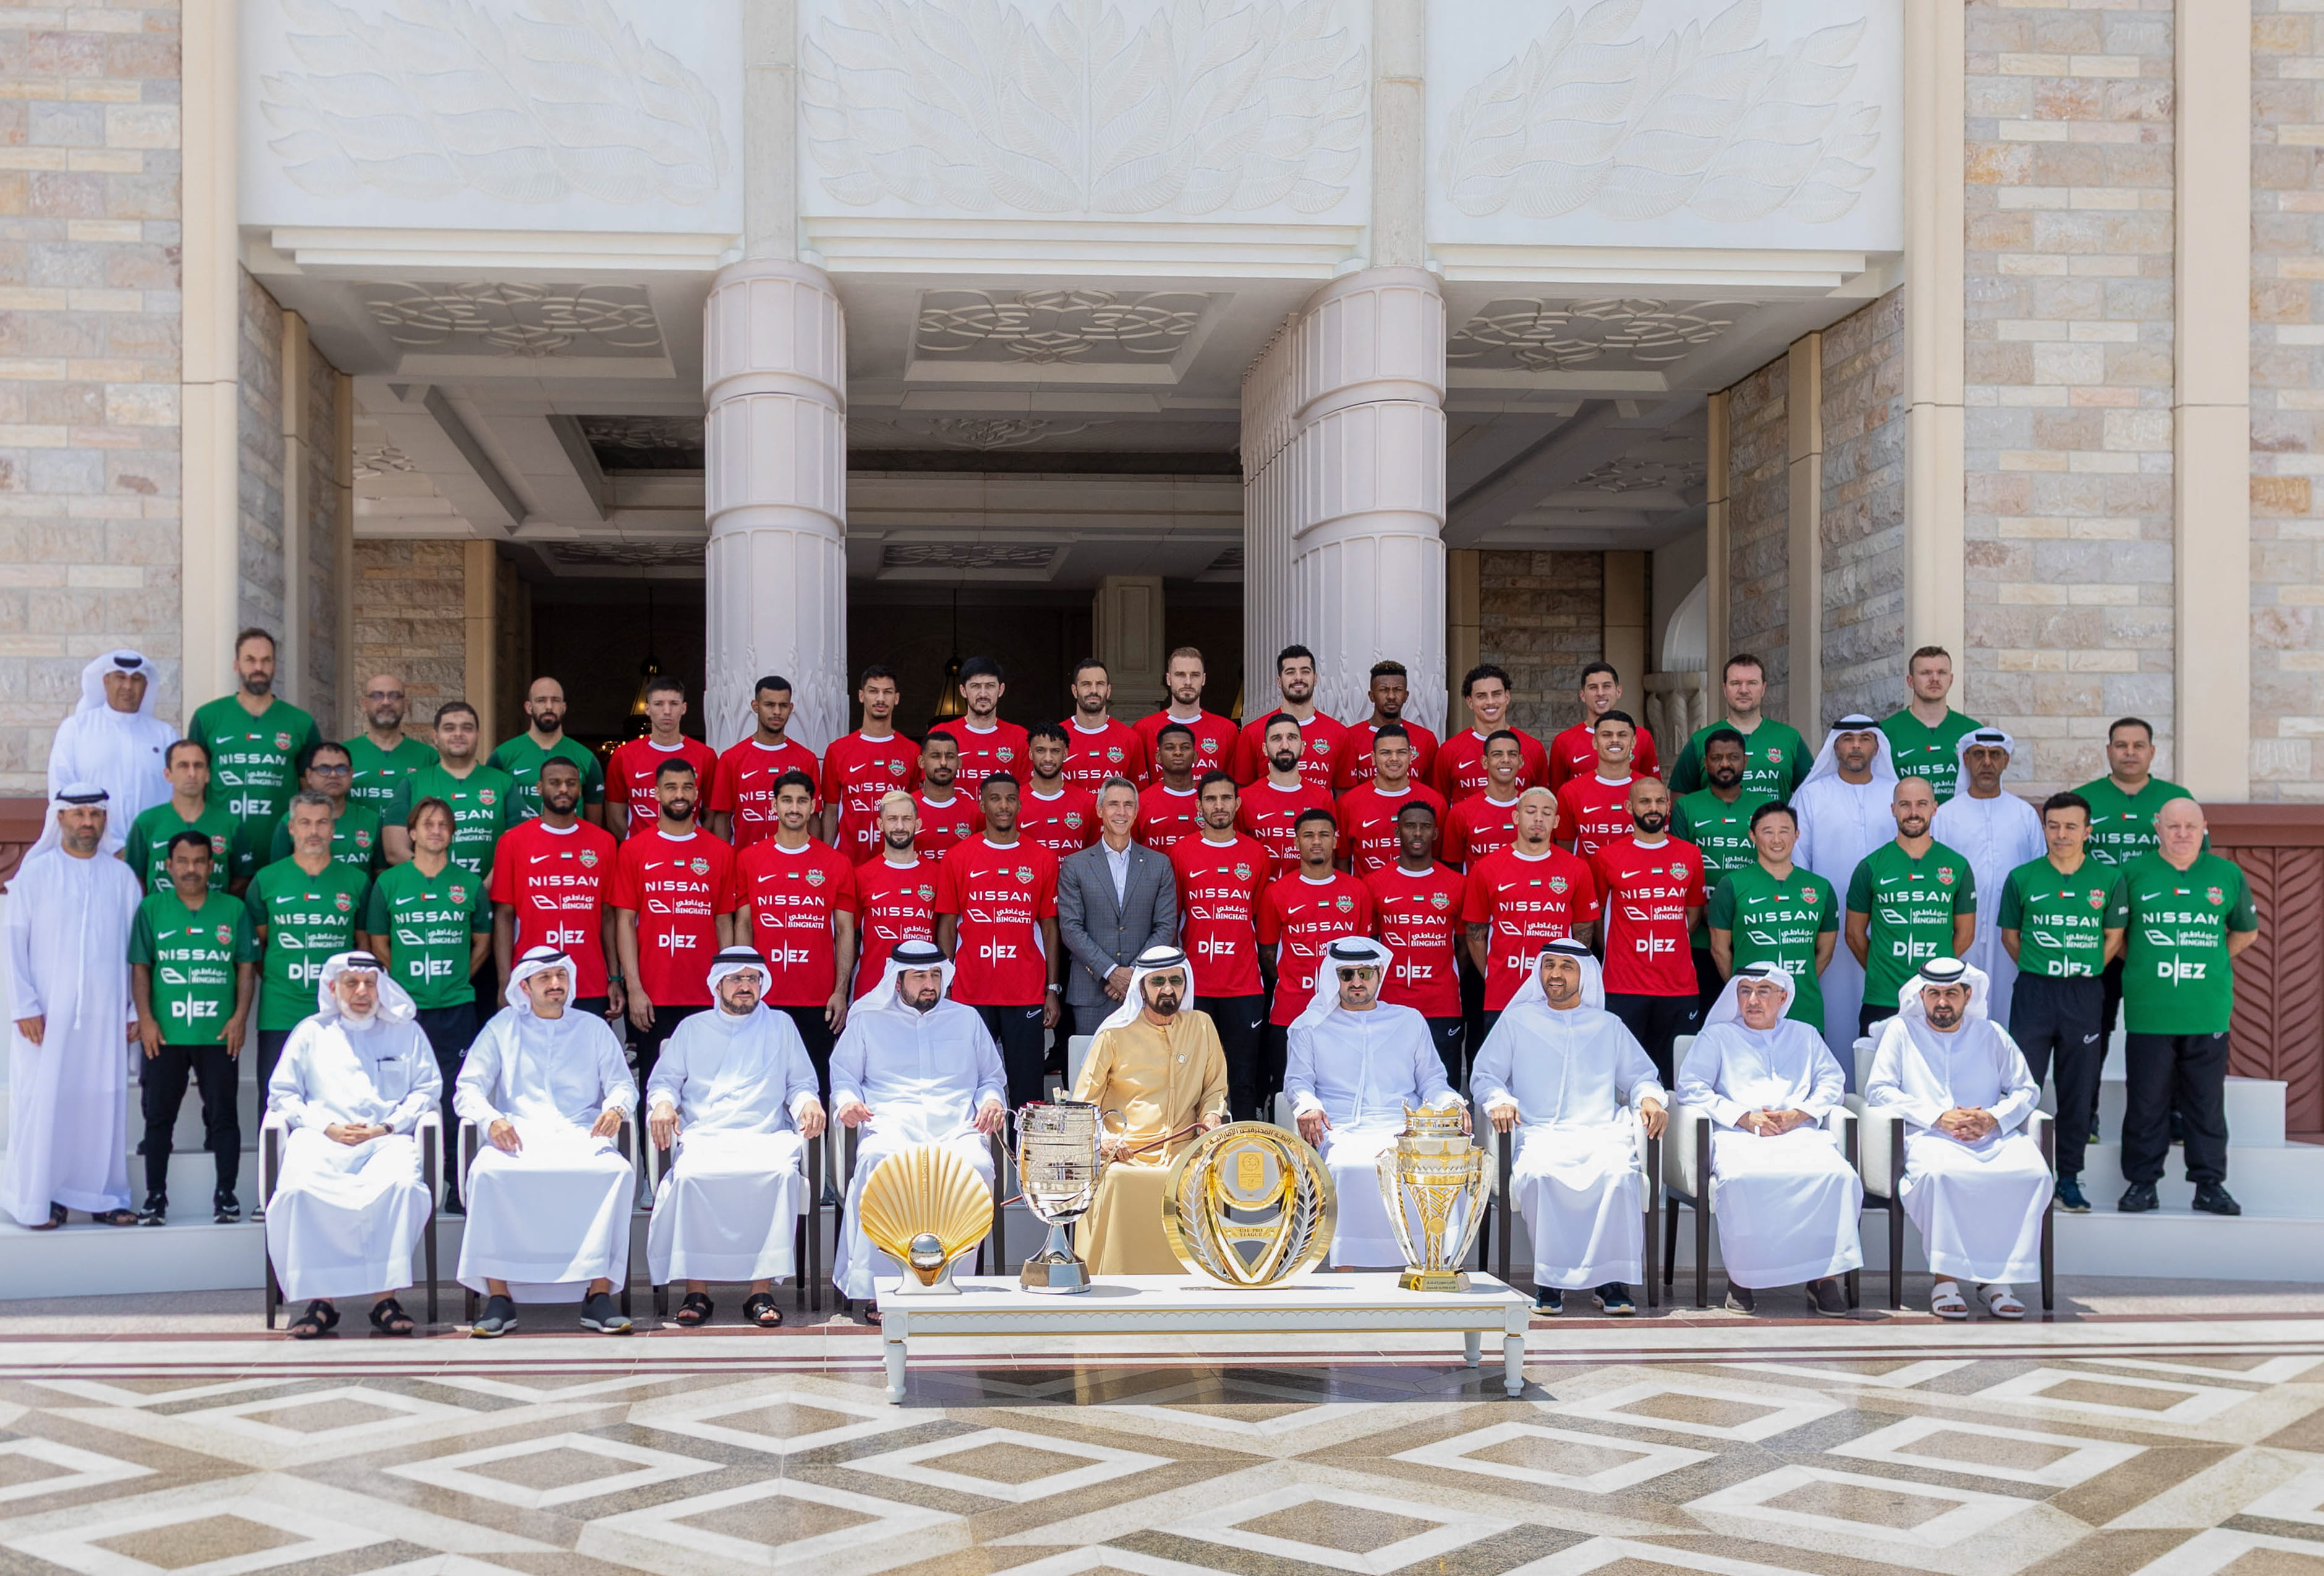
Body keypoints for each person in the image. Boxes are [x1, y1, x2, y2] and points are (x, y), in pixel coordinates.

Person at [1474, 940, 1666, 1314]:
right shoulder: (1517, 1021)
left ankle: (1611, 1281)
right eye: (1549, 966)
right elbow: (1485, 1075)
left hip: (1600, 1132)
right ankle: (1550, 1281)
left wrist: (1649, 1098)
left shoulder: (1609, 1025)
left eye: (1566, 966)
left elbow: (1642, 1075)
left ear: (1585, 975)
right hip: (1540, 1132)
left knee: (1618, 1175)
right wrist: (1499, 1101)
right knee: (1541, 1175)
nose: (1556, 974)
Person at [455, 947, 639, 1335]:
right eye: (545, 978)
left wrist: (617, 1109)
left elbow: (622, 1083)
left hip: (580, 1132)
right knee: (487, 1173)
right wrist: (491, 1120)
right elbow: (468, 1088)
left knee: (616, 1172)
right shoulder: (502, 1028)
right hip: (519, 1133)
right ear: (525, 986)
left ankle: (598, 1294)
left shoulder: (592, 1028)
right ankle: (500, 1297)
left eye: (561, 977)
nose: (556, 985)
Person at [645, 948, 827, 1327]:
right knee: (691, 1177)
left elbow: (801, 1083)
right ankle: (697, 1291)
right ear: (718, 984)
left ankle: (759, 1292)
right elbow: (664, 1081)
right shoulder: (692, 1028)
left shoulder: (781, 1026)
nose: (746, 986)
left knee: (778, 1176)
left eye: (753, 979)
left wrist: (809, 1102)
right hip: (705, 1135)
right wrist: (663, 1105)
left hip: (765, 1135)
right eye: (737, 979)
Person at [263, 952, 440, 1339]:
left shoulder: (405, 1031)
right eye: (351, 983)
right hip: (322, 1139)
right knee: (298, 1190)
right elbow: (283, 1094)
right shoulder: (310, 1032)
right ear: (333, 988)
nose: (362, 992)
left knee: (402, 1188)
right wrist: (327, 1127)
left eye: (370, 983)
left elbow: (427, 1090)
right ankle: (320, 1302)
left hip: (385, 1140)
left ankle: (385, 1300)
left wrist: (388, 1126)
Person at [830, 939, 1008, 1320]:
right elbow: (844, 1076)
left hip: (957, 1124)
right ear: (897, 981)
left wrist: (992, 1100)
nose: (930, 983)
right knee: (879, 1160)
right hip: (891, 1123)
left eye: (936, 975)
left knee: (978, 1167)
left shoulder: (966, 1018)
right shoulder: (866, 1020)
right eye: (920, 977)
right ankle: (882, 1290)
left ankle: (955, 1284)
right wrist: (847, 1102)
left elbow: (991, 1077)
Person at [1864, 958, 2049, 1320]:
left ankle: (1997, 1280)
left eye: (1952, 993)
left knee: (2032, 1173)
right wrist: (1937, 1116)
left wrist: (1991, 1118)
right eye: (1934, 994)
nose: (1943, 1002)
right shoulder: (1902, 1032)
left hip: (1991, 1136)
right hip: (1929, 1136)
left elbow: (2026, 1090)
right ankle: (1945, 1280)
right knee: (1943, 1175)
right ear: (1922, 996)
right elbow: (1878, 1090)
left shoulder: (1991, 1034)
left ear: (1967, 995)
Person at [1675, 965, 1861, 1315]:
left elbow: (1832, 1082)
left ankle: (1824, 1279)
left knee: (1839, 1177)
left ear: (1783, 998)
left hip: (1798, 1134)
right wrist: (1742, 1116)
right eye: (1745, 991)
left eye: (1763, 992)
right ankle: (1743, 1279)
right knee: (1745, 1180)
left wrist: (1800, 1113)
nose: (1753, 1000)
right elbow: (1690, 1087)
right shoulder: (1718, 1037)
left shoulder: (1804, 1035)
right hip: (1739, 1136)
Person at [2, 786, 143, 1228]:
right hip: (44, 1016)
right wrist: (23, 1004)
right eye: (79, 813)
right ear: (59, 818)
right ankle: (41, 1197)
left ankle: (104, 1195)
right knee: (44, 1103)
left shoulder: (121, 879)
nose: (88, 822)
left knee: (102, 1101)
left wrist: (133, 1010)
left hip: (105, 1017)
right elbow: (10, 946)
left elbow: (134, 951)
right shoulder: (35, 874)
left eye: (96, 814)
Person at [2118, 798, 2258, 1217]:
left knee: (2205, 1102)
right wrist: (2145, 961)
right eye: (2173, 825)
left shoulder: (2226, 874)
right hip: (2150, 1009)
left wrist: (2211, 959)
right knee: (2145, 1101)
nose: (2181, 833)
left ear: (2204, 828)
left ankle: (2209, 1185)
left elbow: (2244, 933)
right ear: (2157, 827)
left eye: (2190, 826)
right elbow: (2116, 936)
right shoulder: (2133, 873)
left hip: (2206, 1009)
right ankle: (2142, 1184)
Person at [1285, 937, 1459, 1269]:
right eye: (1347, 974)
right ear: (1333, 978)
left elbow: (1433, 1080)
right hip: (1341, 1129)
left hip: (1403, 1128)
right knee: (1350, 1169)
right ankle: (1347, 1269)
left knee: (1438, 1167)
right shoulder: (1311, 1026)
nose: (1356, 982)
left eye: (1364, 973)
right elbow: (1297, 1081)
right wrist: (1306, 1104)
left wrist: (1450, 1101)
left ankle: (1439, 1271)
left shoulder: (1408, 1020)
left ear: (1379, 973)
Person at [1998, 791, 2126, 1213]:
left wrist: (2084, 967)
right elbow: (2010, 937)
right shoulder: (2022, 877)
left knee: (2077, 1089)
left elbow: (2113, 938)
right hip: (2034, 991)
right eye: (2053, 825)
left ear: (2087, 831)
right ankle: (2015, 1170)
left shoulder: (2107, 879)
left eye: (2071, 826)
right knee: (2021, 1085)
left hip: (2083, 993)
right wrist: (2042, 967)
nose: (2061, 834)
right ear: (2044, 828)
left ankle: (2067, 1177)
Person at [364, 796, 492, 1210]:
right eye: (427, 823)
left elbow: (483, 942)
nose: (435, 830)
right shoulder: (389, 884)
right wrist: (402, 986)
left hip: (456, 1008)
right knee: (400, 1094)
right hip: (404, 1012)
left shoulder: (469, 884)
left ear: (451, 834)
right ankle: (406, 1180)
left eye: (443, 824)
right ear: (412, 832)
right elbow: (377, 942)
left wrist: (457, 977)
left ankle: (456, 1185)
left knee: (457, 1095)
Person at [1072, 947, 1228, 1272]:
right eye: (1158, 981)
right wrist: (1103, 1141)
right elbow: (1083, 1105)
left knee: (1202, 1177)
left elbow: (1215, 1088)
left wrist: (1212, 1115)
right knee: (1116, 1180)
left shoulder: (1202, 1026)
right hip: (1126, 1154)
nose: (1168, 989)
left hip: (1185, 1153)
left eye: (1175, 980)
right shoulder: (1114, 1034)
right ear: (1141, 988)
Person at [130, 829, 257, 1225]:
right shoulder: (151, 908)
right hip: (165, 1035)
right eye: (183, 861)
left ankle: (226, 1194)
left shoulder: (233, 910)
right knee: (158, 1118)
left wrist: (239, 1018)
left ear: (211, 865)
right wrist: (147, 1020)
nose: (191, 869)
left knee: (224, 1116)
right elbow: (141, 968)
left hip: (217, 1034)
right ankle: (155, 1197)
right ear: (169, 866)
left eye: (200, 861)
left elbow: (246, 968)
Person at [611, 758, 739, 1103]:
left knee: (709, 1091)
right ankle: (655, 1158)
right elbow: (624, 921)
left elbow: (723, 922)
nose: (680, 795)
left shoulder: (720, 852)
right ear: (656, 793)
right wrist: (634, 988)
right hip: (654, 996)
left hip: (706, 994)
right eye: (671, 787)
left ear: (697, 792)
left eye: (686, 787)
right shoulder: (633, 850)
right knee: (655, 1092)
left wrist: (725, 985)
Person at [935, 773, 1062, 1105]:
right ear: (982, 804)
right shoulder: (958, 857)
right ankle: (973, 1156)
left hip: (1025, 991)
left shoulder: (1042, 858)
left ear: (1020, 804)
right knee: (969, 1084)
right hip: (970, 990)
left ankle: (1025, 1155)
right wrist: (946, 982)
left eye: (1010, 799)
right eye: (995, 799)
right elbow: (948, 925)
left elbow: (1049, 928)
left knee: (1027, 1090)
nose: (1003, 806)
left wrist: (1052, 990)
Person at [2074, 717, 2195, 1047]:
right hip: (2098, 931)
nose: (2130, 752)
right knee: (2093, 1031)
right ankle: (2087, 1100)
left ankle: (2163, 1100)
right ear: (2108, 750)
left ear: (2153, 751)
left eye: (2138, 745)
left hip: (2157, 932)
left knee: (2165, 1030)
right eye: (2121, 745)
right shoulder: (2083, 800)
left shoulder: (2177, 800)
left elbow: (2195, 865)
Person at [246, 790, 373, 1099]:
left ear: (333, 829)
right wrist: (279, 977)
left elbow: (364, 949)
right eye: (305, 823)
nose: (313, 831)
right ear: (291, 828)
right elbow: (257, 950)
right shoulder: (266, 880)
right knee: (276, 1102)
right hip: (281, 1010)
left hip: (339, 1013)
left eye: (321, 823)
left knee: (340, 1101)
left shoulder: (356, 882)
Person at [735, 770, 856, 1096]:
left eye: (802, 801)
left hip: (819, 1000)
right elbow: (743, 925)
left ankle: (815, 1150)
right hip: (765, 998)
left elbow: (845, 931)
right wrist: (746, 984)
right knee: (761, 1089)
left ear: (813, 805)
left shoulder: (836, 863)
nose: (794, 808)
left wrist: (840, 991)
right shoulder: (748, 859)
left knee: (816, 1089)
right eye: (787, 800)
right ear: (774, 805)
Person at [1791, 716, 1899, 1064]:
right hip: (1830, 927)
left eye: (1865, 738)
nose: (1856, 746)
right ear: (1835, 745)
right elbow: (1797, 863)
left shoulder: (1895, 796)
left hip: (1889, 925)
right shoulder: (1811, 795)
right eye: (1848, 738)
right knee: (1835, 1005)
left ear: (1877, 746)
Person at [1257, 809, 1374, 1117]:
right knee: (1286, 1095)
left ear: (1336, 841)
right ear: (1296, 842)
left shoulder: (1358, 891)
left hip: (1344, 1012)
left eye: (1324, 835)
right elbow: (1269, 954)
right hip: (1291, 1012)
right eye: (1308, 835)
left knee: (1342, 1092)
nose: (1316, 841)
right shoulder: (1276, 893)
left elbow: (1364, 952)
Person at [1171, 770, 1272, 1120]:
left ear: (1237, 804)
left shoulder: (1256, 854)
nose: (1219, 806)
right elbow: (1174, 919)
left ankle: (1245, 1155)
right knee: (1192, 1077)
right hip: (1195, 985)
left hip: (1243, 987)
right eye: (1211, 799)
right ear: (1198, 805)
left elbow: (1257, 917)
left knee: (1242, 1078)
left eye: (1226, 798)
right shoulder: (1181, 851)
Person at [1591, 778, 1706, 1084]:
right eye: (1645, 802)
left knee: (1676, 1079)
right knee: (1623, 1079)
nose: (1653, 808)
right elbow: (1598, 918)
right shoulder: (1607, 857)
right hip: (1623, 987)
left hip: (1679, 987)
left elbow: (1692, 913)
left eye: (1659, 801)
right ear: (1630, 807)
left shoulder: (1690, 855)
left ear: (1668, 806)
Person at [1845, 778, 1977, 1041]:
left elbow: (1965, 935)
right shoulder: (1871, 866)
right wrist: (1880, 966)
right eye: (1905, 805)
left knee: (1935, 1080)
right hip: (1882, 996)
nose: (1913, 813)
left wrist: (1937, 970)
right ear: (1893, 809)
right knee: (1876, 1079)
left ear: (1935, 808)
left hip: (1937, 996)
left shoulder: (1957, 865)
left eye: (1921, 804)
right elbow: (1854, 934)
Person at [488, 757, 620, 1016]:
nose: (563, 789)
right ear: (539, 788)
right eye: (555, 783)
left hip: (589, 982)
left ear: (580, 790)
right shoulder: (512, 842)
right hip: (531, 980)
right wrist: (505, 980)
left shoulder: (604, 843)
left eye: (571, 783)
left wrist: (614, 978)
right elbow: (504, 916)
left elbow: (608, 916)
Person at [1462, 788, 1599, 1037]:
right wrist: (1493, 976)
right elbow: (1475, 935)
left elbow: (1583, 932)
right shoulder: (1486, 869)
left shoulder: (1577, 869)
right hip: (1503, 996)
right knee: (1503, 1073)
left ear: (1556, 821)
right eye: (1531, 811)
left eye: (1547, 813)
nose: (1538, 819)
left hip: (1557, 998)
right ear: (1516, 817)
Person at [1932, 728, 2045, 1026]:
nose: (1987, 762)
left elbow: (2038, 876)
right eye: (1979, 755)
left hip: (2012, 934)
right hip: (1962, 933)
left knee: (2011, 1009)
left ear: (2005, 761)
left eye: (1994, 755)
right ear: (1966, 759)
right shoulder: (1945, 815)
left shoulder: (2024, 815)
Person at [1058, 778, 1179, 1040]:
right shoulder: (1075, 865)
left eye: (1128, 805)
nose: (1121, 812)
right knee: (1094, 1075)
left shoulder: (1160, 865)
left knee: (1144, 1075)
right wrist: (1112, 972)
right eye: (1113, 804)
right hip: (1092, 993)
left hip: (1146, 991)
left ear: (1137, 812)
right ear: (1100, 810)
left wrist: (1134, 975)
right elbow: (1071, 928)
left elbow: (1166, 926)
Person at [1706, 801, 1839, 1034]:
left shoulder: (1821, 888)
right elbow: (1720, 949)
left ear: (1797, 835)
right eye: (1768, 832)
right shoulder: (1732, 885)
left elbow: (1825, 953)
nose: (1777, 840)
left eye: (1784, 831)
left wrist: (1787, 986)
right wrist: (1749, 988)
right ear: (1753, 836)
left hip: (1805, 1009)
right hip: (1750, 1012)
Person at [189, 628, 321, 861]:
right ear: (236, 665)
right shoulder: (207, 717)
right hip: (218, 850)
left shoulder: (301, 723)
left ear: (275, 666)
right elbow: (192, 787)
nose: (258, 668)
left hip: (281, 852)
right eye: (250, 660)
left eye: (266, 660)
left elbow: (309, 791)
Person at [1364, 802, 1468, 1087]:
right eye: (1411, 826)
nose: (1418, 833)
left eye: (1426, 826)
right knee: (1390, 1088)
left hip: (1442, 1006)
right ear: (1398, 832)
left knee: (1444, 1090)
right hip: (1389, 1005)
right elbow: (1371, 946)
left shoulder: (1458, 885)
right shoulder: (1374, 884)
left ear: (1436, 833)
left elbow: (1464, 946)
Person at [1672, 728, 1769, 1013]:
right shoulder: (1686, 808)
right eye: (1717, 758)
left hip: (1752, 931)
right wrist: (1706, 913)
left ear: (1745, 762)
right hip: (1699, 935)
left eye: (1733, 758)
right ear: (1705, 763)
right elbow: (1678, 869)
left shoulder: (1765, 808)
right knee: (1705, 1019)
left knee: (1752, 1016)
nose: (1725, 764)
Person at [47, 649, 174, 831]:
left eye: (136, 679)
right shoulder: (76, 729)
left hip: (153, 850)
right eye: (120, 677)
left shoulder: (165, 734)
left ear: (146, 686)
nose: (128, 687)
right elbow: (62, 791)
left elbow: (177, 795)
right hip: (93, 849)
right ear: (106, 682)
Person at [401, 701, 514, 883]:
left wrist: (481, 890)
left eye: (467, 728)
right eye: (449, 728)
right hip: (430, 898)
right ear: (435, 736)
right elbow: (395, 850)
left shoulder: (504, 783)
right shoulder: (412, 783)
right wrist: (437, 884)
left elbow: (518, 847)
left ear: (478, 735)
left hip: (491, 896)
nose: (458, 734)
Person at [1666, 654, 1807, 799]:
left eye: (1752, 683)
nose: (1744, 690)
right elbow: (1680, 795)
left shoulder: (1789, 738)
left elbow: (1811, 793)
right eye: (1735, 683)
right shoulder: (1701, 740)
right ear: (1725, 689)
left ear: (1764, 688)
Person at [708, 675, 820, 850]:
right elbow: (721, 818)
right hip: (743, 863)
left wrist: (813, 859)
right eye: (769, 705)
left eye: (783, 706)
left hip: (794, 862)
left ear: (791, 708)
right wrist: (726, 862)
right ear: (755, 706)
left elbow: (813, 818)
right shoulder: (731, 759)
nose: (777, 712)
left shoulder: (807, 759)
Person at [821, 666, 920, 859]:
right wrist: (826, 858)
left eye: (887, 692)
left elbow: (915, 811)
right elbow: (831, 810)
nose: (881, 699)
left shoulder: (912, 752)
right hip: (848, 861)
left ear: (897, 699)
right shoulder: (837, 751)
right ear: (861, 696)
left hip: (895, 862)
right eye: (873, 691)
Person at [605, 675, 717, 841]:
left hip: (691, 852)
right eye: (659, 704)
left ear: (684, 708)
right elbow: (614, 817)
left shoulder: (705, 756)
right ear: (648, 709)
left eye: (674, 704)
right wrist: (638, 847)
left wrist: (696, 842)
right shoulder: (624, 756)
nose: (667, 711)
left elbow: (712, 814)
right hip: (641, 856)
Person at [122, 738, 239, 897]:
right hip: (161, 918)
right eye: (183, 766)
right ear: (168, 774)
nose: (192, 773)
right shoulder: (146, 822)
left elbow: (241, 881)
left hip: (215, 919)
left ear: (208, 774)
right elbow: (135, 880)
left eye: (198, 766)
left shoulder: (230, 823)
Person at [851, 791, 937, 999]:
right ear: (880, 825)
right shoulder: (861, 876)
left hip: (923, 994)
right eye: (892, 819)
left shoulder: (939, 874)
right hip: (872, 991)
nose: (899, 827)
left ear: (918, 824)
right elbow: (850, 939)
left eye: (906, 819)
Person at [487, 676, 606, 825]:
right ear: (529, 707)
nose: (549, 707)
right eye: (541, 700)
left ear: (564, 707)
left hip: (570, 846)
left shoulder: (586, 758)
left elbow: (594, 825)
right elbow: (490, 811)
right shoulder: (503, 755)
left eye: (555, 700)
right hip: (521, 846)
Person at [1336, 724, 1447, 877]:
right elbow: (1343, 861)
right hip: (1368, 897)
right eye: (1386, 753)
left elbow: (1439, 859)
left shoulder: (1434, 802)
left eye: (1401, 753)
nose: (1394, 759)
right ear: (1373, 758)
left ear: (1411, 756)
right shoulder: (1348, 803)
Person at [1236, 712, 1337, 880]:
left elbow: (1330, 858)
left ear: (1303, 746)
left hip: (1307, 899)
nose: (1285, 746)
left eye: (1292, 738)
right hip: (1261, 900)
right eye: (1276, 739)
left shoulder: (1323, 798)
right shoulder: (1245, 799)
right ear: (1264, 749)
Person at [1231, 645, 1345, 790]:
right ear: (1279, 681)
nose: (1298, 678)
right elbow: (1242, 792)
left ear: (1315, 678)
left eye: (1305, 671)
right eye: (1290, 672)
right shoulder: (1252, 733)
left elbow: (1343, 798)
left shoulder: (1339, 733)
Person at [265, 740, 386, 873]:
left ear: (351, 774)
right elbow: (277, 874)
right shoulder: (290, 820)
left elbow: (379, 874)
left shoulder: (372, 821)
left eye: (341, 769)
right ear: (309, 776)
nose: (333, 775)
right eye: (324, 769)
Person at [1879, 647, 1981, 804]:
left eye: (1942, 672)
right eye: (1926, 673)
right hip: (1908, 825)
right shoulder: (1886, 732)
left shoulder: (1972, 732)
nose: (1935, 679)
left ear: (1951, 679)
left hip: (1959, 826)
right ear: (1910, 681)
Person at [1434, 665, 1550, 802]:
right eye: (1481, 696)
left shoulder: (1533, 748)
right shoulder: (1449, 751)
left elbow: (1544, 804)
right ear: (1470, 702)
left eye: (1496, 694)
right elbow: (1440, 807)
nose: (1490, 702)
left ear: (1507, 697)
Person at [343, 673, 437, 830]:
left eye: (394, 696)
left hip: (409, 849)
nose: (386, 702)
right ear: (364, 703)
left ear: (405, 704)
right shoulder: (345, 753)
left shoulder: (428, 756)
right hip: (358, 849)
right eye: (377, 696)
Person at [1547, 662, 1661, 790]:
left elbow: (1654, 790)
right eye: (1593, 687)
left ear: (1618, 691)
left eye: (1607, 686)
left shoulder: (1641, 736)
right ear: (1582, 695)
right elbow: (1556, 796)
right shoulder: (1564, 741)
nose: (1600, 693)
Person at [1332, 660, 1441, 791]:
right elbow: (1344, 794)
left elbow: (1432, 791)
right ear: (1372, 696)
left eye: (1398, 690)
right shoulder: (1350, 737)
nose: (1391, 696)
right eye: (1384, 690)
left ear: (1406, 696)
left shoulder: (1426, 739)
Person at [1133, 646, 1236, 781]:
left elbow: (1233, 788)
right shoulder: (1144, 729)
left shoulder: (1227, 730)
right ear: (1169, 679)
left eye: (1195, 675)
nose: (1188, 682)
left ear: (1203, 679)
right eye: (1180, 675)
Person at [930, 656, 1029, 790]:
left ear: (1001, 690)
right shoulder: (941, 734)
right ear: (963, 691)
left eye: (990, 686)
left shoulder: (1020, 737)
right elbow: (930, 791)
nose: (983, 694)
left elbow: (1025, 793)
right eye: (975, 686)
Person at [1552, 710, 1640, 858]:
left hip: (1636, 880)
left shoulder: (1649, 791)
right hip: (1588, 880)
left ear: (1633, 742)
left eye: (1622, 735)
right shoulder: (1571, 792)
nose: (1615, 740)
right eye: (1606, 735)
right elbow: (1565, 853)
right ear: (1595, 742)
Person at [1060, 657, 1151, 789]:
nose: (1094, 691)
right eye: (1086, 684)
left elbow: (1139, 794)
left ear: (1108, 691)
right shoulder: (1057, 738)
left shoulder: (1129, 739)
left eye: (1100, 684)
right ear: (1074, 691)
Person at [1441, 730, 1526, 866]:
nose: (1506, 759)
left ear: (1520, 761)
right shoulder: (1461, 813)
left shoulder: (1535, 811)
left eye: (1512, 754)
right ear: (1485, 762)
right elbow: (1453, 871)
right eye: (1497, 754)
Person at [1015, 722, 1099, 858]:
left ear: (1065, 754)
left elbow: (1094, 855)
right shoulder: (1013, 802)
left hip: (1074, 880)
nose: (1048, 758)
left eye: (1055, 751)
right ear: (1030, 754)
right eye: (1040, 750)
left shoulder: (1088, 803)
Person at [1134, 723, 1204, 848]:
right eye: (1170, 748)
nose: (1178, 753)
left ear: (1195, 756)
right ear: (1158, 757)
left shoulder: (1210, 800)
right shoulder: (1141, 802)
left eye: (1185, 748)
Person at [910, 731, 977, 857]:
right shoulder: (906, 808)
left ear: (960, 762)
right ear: (921, 762)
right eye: (935, 756)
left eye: (950, 756)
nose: (943, 763)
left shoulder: (975, 812)